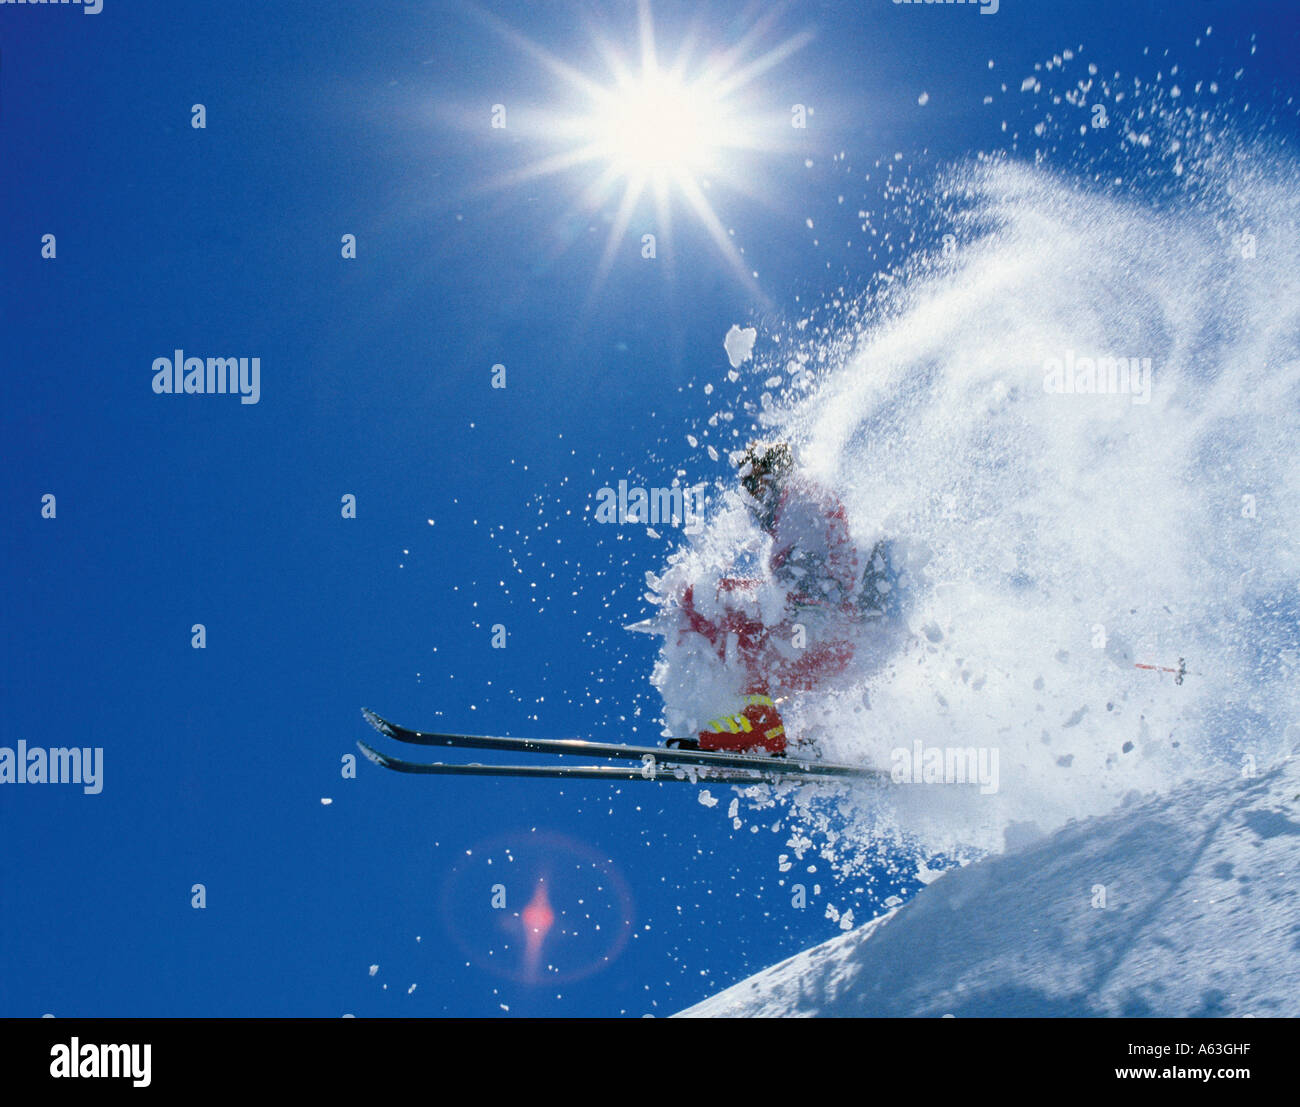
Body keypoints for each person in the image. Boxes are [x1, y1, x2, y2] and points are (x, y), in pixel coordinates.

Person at [669, 441, 868, 757]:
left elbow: (814, 577)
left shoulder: (802, 499)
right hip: (822, 644)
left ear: (777, 472)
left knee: (704, 599)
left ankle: (760, 724)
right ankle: (758, 722)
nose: (752, 492)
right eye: (748, 485)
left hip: (816, 632)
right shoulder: (793, 514)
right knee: (733, 619)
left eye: (755, 480)